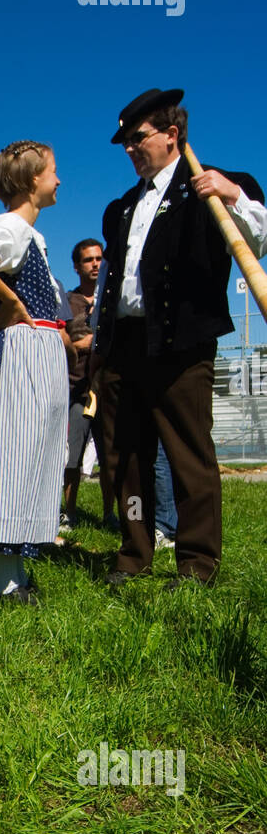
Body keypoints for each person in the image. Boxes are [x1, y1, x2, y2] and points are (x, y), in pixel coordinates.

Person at [94, 87, 267, 586]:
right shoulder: (122, 207)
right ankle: (134, 553)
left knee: (187, 451)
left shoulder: (210, 187)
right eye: (125, 143)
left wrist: (233, 195)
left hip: (181, 341)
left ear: (172, 135)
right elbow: (114, 281)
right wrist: (100, 348)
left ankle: (196, 563)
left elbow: (258, 239)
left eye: (138, 139)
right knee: (125, 454)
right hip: (125, 342)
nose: (130, 149)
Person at [0, 141, 69, 604]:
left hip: (35, 353)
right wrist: (12, 301)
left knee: (33, 456)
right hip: (18, 354)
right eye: (53, 172)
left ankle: (16, 571)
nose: (59, 181)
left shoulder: (30, 235)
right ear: (30, 181)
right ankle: (6, 581)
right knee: (15, 457)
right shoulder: (12, 226)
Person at [61, 239, 115, 529]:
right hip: (77, 389)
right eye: (87, 260)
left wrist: (87, 342)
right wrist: (89, 342)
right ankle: (68, 512)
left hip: (109, 389)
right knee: (71, 456)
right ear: (77, 266)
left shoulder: (113, 298)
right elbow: (65, 340)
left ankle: (109, 514)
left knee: (110, 457)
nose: (94, 263)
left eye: (98, 258)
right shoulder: (68, 302)